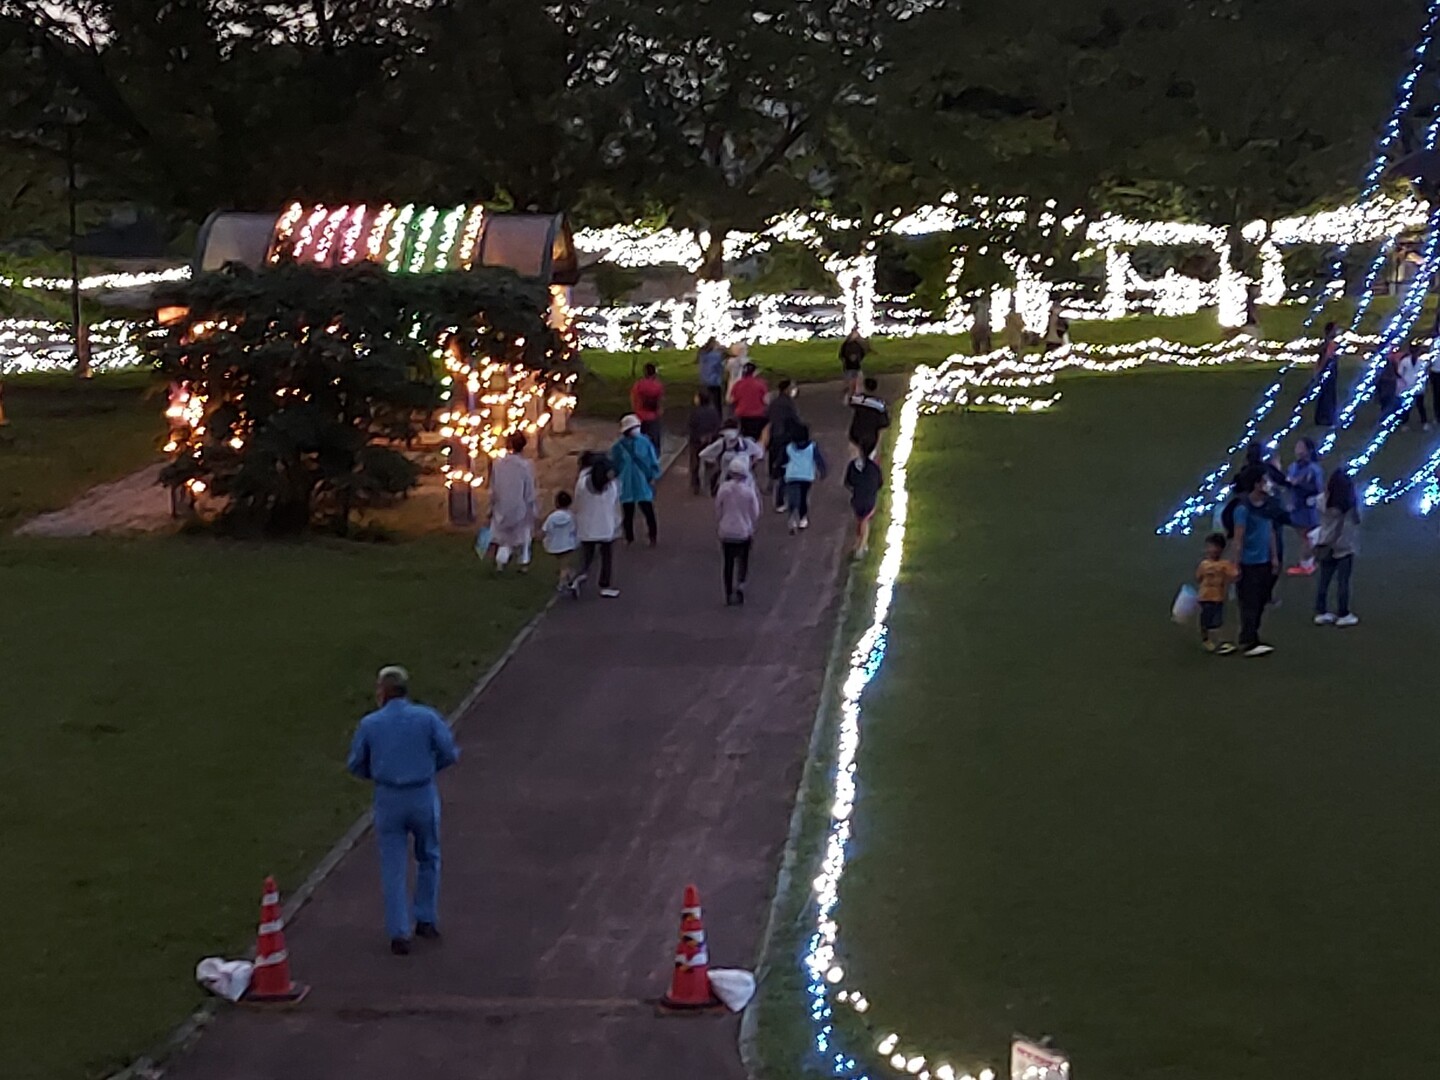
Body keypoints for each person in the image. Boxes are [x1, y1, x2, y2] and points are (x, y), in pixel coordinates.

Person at [347, 665, 459, 955]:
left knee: (393, 865)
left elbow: (356, 763)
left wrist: (378, 773)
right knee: (429, 855)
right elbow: (448, 752)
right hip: (422, 792)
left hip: (388, 797)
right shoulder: (427, 717)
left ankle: (399, 931)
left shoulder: (370, 724)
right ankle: (426, 918)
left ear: (383, 691)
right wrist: (428, 768)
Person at [1231, 465, 1280, 657]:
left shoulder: (1267, 506)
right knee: (1249, 603)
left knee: (1260, 601)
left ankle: (1250, 636)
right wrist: (1235, 564)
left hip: (1264, 561)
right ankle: (1249, 640)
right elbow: (1238, 538)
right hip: (1248, 563)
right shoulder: (1243, 509)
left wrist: (1274, 557)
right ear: (1256, 484)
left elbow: (1270, 532)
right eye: (1264, 480)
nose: (1267, 484)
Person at [1314, 468, 1362, 628]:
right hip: (1344, 545)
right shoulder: (1347, 505)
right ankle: (1343, 613)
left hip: (1325, 542)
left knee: (1324, 580)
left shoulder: (1321, 500)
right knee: (1343, 581)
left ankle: (1321, 611)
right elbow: (1357, 520)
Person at [573, 453, 622, 598]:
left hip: (586, 528)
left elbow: (578, 504)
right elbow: (615, 505)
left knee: (586, 556)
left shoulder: (582, 485)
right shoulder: (612, 487)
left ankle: (578, 577)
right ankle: (604, 584)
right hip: (606, 527)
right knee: (606, 557)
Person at [488, 432, 537, 572]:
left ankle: (500, 561)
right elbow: (529, 488)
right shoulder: (526, 465)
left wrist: (491, 506)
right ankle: (524, 563)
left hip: (502, 505)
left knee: (503, 537)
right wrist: (532, 507)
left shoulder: (498, 464)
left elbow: (494, 486)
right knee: (524, 535)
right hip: (520, 505)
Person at [715, 456, 761, 606]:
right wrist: (751, 524)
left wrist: (721, 521)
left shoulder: (723, 489)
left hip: (726, 531)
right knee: (743, 560)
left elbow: (718, 508)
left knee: (727, 563)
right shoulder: (748, 492)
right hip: (743, 531)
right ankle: (740, 585)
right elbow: (755, 511)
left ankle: (728, 592)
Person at [611, 414, 661, 545]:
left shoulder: (643, 442)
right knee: (629, 512)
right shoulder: (619, 446)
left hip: (636, 482)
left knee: (646, 510)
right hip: (633, 482)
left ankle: (651, 535)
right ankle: (630, 537)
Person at [1284, 437, 1324, 576]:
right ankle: (1310, 561)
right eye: (1297, 447)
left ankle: (1306, 564)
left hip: (1307, 507)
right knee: (1305, 536)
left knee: (1307, 536)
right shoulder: (1293, 467)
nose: (1298, 450)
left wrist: (1298, 483)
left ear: (1308, 451)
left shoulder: (1314, 469)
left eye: (1301, 447)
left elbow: (1317, 489)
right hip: (1296, 506)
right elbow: (1289, 484)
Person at [1195, 532, 1240, 655]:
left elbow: (1234, 575)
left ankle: (1218, 641)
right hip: (1204, 596)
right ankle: (1206, 639)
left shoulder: (1225, 565)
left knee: (1217, 621)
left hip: (1218, 597)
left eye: (1215, 547)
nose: (1212, 550)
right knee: (1205, 620)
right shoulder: (1204, 564)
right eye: (1210, 547)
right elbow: (1198, 577)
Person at [699, 418, 765, 494]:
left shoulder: (722, 443)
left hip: (726, 481)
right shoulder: (746, 443)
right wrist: (752, 462)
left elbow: (703, 454)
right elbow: (759, 453)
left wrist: (715, 461)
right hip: (745, 480)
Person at [764, 380, 802, 511]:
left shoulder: (774, 402)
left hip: (774, 433)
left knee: (773, 456)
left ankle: (771, 479)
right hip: (785, 434)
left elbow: (767, 415)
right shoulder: (789, 404)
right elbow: (795, 419)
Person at [782, 422, 827, 533]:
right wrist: (822, 471)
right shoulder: (812, 447)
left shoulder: (789, 447)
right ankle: (803, 518)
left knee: (792, 497)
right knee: (803, 498)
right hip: (806, 477)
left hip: (792, 476)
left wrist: (777, 468)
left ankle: (792, 514)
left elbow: (781, 460)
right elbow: (819, 460)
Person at [843, 450, 883, 558]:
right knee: (865, 521)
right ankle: (861, 547)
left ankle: (860, 544)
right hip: (869, 499)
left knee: (861, 520)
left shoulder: (852, 466)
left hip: (856, 500)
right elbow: (880, 483)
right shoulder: (874, 468)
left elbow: (847, 482)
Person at [541, 490, 579, 595]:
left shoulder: (552, 517)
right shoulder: (571, 516)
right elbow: (574, 529)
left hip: (553, 545)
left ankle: (568, 577)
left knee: (562, 563)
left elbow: (545, 530)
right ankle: (562, 584)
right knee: (564, 565)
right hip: (568, 544)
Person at [687, 390, 722, 496]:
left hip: (696, 440)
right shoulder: (714, 412)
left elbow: (691, 427)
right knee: (710, 463)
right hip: (710, 440)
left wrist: (696, 436)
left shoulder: (695, 413)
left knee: (694, 462)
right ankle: (710, 484)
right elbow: (717, 426)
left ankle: (695, 484)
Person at [847, 377, 890, 459]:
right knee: (870, 459)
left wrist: (853, 387)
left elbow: (848, 400)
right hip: (871, 437)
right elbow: (883, 426)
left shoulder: (858, 400)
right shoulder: (880, 405)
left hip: (856, 434)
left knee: (856, 459)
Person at [630, 362, 666, 452]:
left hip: (640, 416)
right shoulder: (658, 386)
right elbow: (660, 400)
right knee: (654, 441)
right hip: (653, 416)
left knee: (639, 440)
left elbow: (634, 398)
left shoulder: (638, 385)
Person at [730, 361, 770, 440]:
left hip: (742, 415)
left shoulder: (738, 384)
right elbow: (766, 400)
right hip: (757, 415)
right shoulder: (760, 384)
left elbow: (731, 400)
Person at [1397, 342, 1429, 429]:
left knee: (1420, 405)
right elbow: (1399, 373)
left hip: (1417, 386)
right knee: (1407, 406)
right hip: (1407, 385)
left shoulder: (1421, 362)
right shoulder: (1405, 361)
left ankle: (1424, 422)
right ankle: (1404, 422)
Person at [1314, 322, 1340, 428]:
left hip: (1324, 371)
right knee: (1329, 395)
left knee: (1323, 394)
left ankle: (1320, 417)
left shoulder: (1324, 343)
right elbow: (1326, 357)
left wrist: (1317, 370)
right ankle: (1328, 418)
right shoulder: (1331, 344)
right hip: (1329, 370)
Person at [697, 338, 725, 412]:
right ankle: (717, 417)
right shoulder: (716, 356)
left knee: (706, 401)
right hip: (715, 381)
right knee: (716, 402)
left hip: (704, 380)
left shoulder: (703, 355)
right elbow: (719, 367)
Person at [839, 328, 868, 395]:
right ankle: (851, 393)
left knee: (857, 379)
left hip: (855, 365)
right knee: (851, 380)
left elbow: (862, 352)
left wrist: (858, 358)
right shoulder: (847, 345)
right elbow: (843, 354)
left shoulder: (857, 345)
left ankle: (856, 393)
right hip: (850, 366)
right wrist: (850, 358)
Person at [1377, 345, 1401, 420]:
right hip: (1386, 381)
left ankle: (1386, 415)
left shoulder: (1390, 361)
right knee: (1386, 399)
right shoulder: (1387, 361)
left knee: (1387, 399)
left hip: (1388, 381)